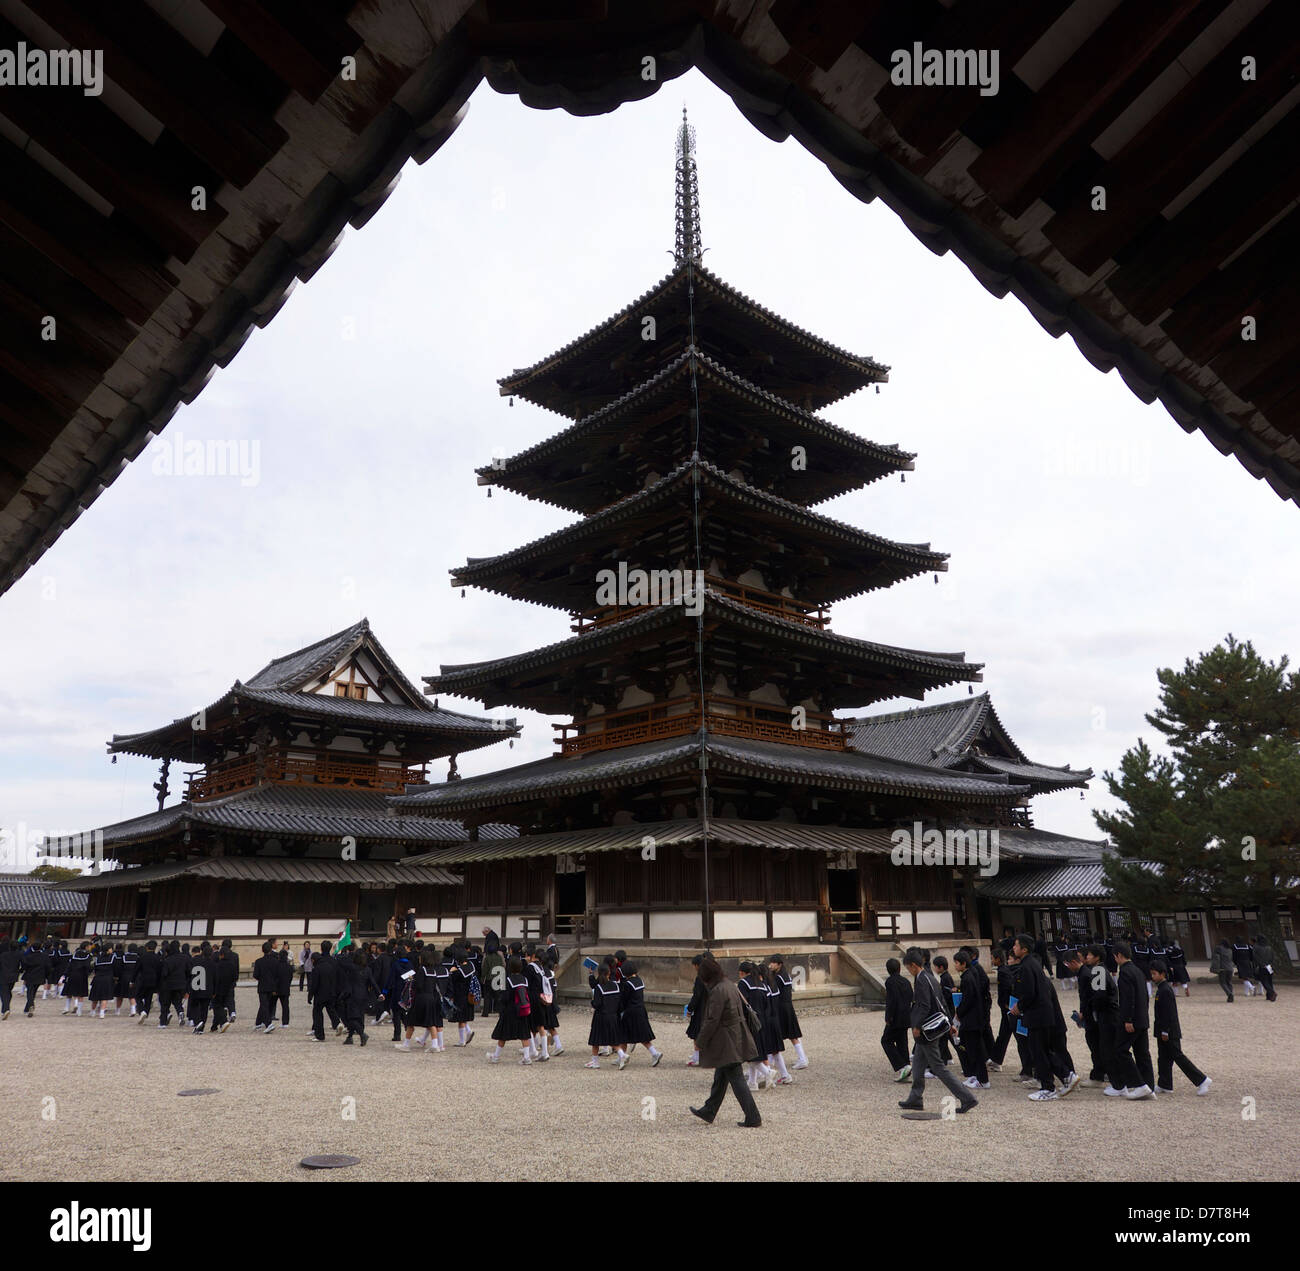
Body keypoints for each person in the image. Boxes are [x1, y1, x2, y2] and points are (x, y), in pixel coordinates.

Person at [897, 948, 976, 1114]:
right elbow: (941, 1001)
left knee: (939, 1067)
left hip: (928, 1029)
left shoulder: (922, 980)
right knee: (918, 1064)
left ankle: (967, 1098)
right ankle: (915, 1097)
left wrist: (917, 1025)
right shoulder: (929, 977)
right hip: (933, 1025)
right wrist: (949, 1021)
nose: (908, 971)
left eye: (908, 968)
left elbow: (924, 1005)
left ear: (912, 966)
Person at [689, 958, 762, 1128]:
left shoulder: (718, 990)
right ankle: (709, 1110)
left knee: (735, 1077)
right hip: (735, 1035)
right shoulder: (728, 984)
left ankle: (753, 1116)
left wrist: (700, 1041)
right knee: (721, 1076)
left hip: (727, 1039)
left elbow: (712, 1019)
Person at [1009, 933, 1077, 1101]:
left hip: (1036, 1014)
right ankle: (1066, 1075)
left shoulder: (1026, 967)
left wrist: (1019, 1006)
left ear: (1024, 949)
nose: (1013, 948)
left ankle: (1048, 1087)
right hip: (1043, 1013)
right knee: (1043, 1050)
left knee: (1039, 1051)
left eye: (1016, 946)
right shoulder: (1034, 964)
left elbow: (1030, 993)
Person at [1151, 959, 1211, 1095]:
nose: (1152, 977)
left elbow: (1168, 1013)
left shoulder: (1165, 990)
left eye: (1154, 974)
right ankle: (1164, 1083)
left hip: (1169, 1032)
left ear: (1162, 974)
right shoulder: (1162, 989)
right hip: (1162, 1030)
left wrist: (1165, 1031)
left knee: (1178, 1057)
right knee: (1163, 1058)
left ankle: (1202, 1080)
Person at [1111, 941, 1155, 1099]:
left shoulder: (1125, 972)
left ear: (1119, 956)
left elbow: (1128, 998)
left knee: (1121, 1050)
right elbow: (1144, 996)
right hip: (1142, 1017)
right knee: (1142, 1053)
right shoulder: (1137, 971)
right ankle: (1149, 1085)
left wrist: (1128, 1019)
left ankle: (1139, 1084)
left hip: (1131, 1019)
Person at [487, 954, 534, 1064]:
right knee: (524, 1034)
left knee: (503, 1035)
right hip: (522, 1010)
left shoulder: (507, 980)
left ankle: (496, 1056)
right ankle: (527, 1057)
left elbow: (504, 997)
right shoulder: (525, 980)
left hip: (510, 1011)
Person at [953, 950, 989, 1090]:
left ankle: (982, 1080)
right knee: (972, 1049)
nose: (955, 966)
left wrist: (959, 1013)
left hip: (971, 1019)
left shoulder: (967, 978)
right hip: (975, 1018)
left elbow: (968, 1000)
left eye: (956, 963)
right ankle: (976, 1076)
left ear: (963, 963)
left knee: (976, 1050)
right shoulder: (970, 974)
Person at [768, 955, 808, 1070]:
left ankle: (802, 1059)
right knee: (792, 1033)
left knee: (780, 1034)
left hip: (781, 1007)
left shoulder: (778, 977)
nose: (771, 965)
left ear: (779, 964)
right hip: (788, 1005)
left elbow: (776, 993)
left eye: (774, 963)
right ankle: (802, 1057)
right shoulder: (786, 975)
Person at [585, 963, 625, 1069]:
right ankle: (622, 1054)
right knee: (612, 1039)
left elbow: (597, 1004)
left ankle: (595, 1062)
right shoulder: (616, 985)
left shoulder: (599, 987)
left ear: (598, 973)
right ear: (609, 973)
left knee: (595, 1040)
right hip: (613, 1016)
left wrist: (592, 1002)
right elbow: (620, 1003)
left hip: (601, 1017)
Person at [881, 956, 912, 1081]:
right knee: (902, 1042)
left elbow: (891, 1000)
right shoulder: (906, 981)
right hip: (906, 1016)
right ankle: (906, 1068)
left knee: (886, 1041)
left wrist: (888, 1016)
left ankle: (901, 1065)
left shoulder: (890, 982)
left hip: (896, 1017)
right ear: (899, 969)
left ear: (888, 970)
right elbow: (911, 996)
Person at [309, 939, 340, 1042]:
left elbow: (314, 984)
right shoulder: (333, 962)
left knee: (317, 1013)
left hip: (320, 993)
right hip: (331, 991)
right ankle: (338, 1023)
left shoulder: (317, 967)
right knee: (331, 1009)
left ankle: (319, 1034)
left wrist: (310, 995)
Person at [338, 949, 370, 1046]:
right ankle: (350, 1037)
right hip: (363, 995)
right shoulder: (367, 969)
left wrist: (338, 953)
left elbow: (341, 962)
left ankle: (362, 1034)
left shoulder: (353, 967)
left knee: (351, 1018)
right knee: (359, 1017)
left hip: (353, 995)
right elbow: (372, 981)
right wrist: (380, 993)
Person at [684, 953, 710, 1066]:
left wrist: (690, 1009)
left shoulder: (700, 978)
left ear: (697, 965)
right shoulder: (711, 976)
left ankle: (697, 1057)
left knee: (696, 1033)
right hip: (710, 1008)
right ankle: (704, 1056)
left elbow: (696, 996)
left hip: (700, 1009)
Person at [157, 941, 187, 1027]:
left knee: (165, 1004)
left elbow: (164, 974)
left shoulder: (167, 960)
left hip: (168, 984)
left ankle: (163, 1023)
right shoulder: (184, 958)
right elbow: (188, 971)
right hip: (181, 984)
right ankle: (180, 1012)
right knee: (177, 1001)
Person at [20, 940, 51, 1016]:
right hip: (40, 976)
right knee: (33, 992)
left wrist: (21, 970)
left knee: (29, 992)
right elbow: (48, 967)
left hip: (30, 975)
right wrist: (46, 975)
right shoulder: (44, 956)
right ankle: (27, 1008)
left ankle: (30, 1005)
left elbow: (24, 966)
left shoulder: (28, 956)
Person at [253, 942, 279, 1032]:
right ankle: (258, 1023)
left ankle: (268, 1023)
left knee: (264, 1004)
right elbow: (277, 975)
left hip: (263, 985)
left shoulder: (259, 961)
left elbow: (256, 975)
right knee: (265, 1004)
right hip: (272, 986)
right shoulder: (275, 961)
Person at [210, 946, 237, 1032]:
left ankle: (223, 1021)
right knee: (222, 1005)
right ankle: (214, 1026)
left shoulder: (218, 965)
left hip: (219, 988)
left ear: (221, 955)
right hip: (228, 988)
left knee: (217, 1006)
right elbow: (235, 977)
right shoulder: (232, 965)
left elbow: (215, 978)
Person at [89, 943, 117, 1019]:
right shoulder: (112, 958)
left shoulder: (98, 958)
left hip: (98, 978)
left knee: (95, 996)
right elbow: (115, 968)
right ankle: (102, 1013)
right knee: (104, 996)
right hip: (107, 978)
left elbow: (94, 968)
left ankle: (93, 1011)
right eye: (111, 948)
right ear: (108, 950)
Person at [1250, 935, 1277, 1001]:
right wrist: (1270, 964)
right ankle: (1269, 996)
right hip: (1269, 966)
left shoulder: (1256, 947)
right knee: (1269, 981)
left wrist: (1260, 964)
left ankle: (1271, 992)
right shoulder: (1269, 947)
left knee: (1264, 981)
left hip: (1262, 966)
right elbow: (1273, 956)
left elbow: (1255, 957)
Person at [0, 938, 20, 1019]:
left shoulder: (3, 955)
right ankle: (6, 1007)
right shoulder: (19, 955)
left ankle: (6, 1009)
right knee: (8, 991)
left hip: (3, 975)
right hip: (13, 976)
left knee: (3, 993)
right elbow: (24, 964)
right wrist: (19, 971)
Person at [274, 946, 293, 1026]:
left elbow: (274, 977)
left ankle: (268, 1019)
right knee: (285, 1006)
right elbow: (290, 977)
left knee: (271, 1005)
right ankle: (285, 1022)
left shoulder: (276, 965)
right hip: (285, 988)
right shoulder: (289, 967)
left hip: (276, 988)